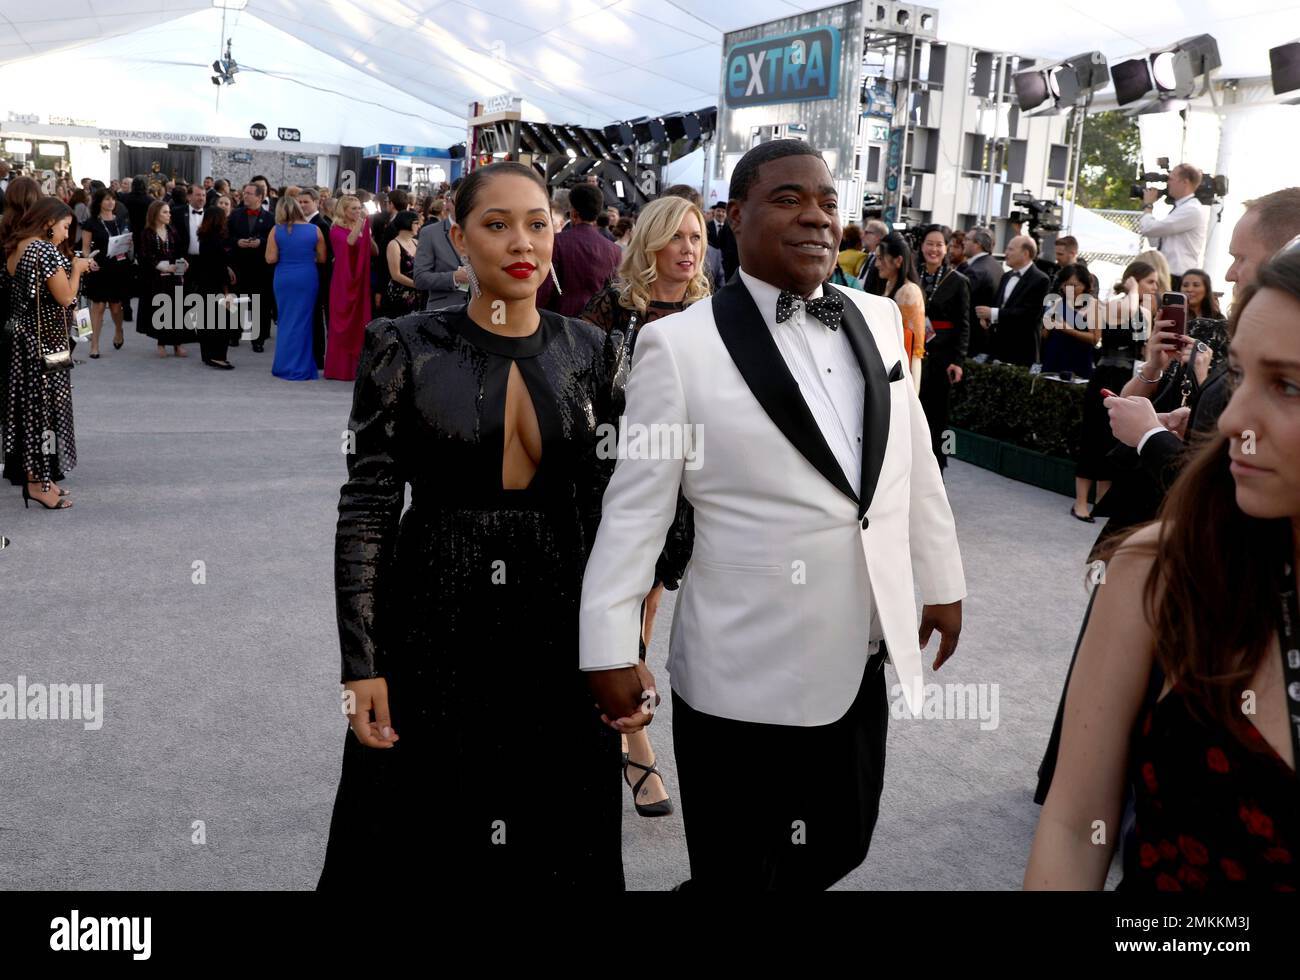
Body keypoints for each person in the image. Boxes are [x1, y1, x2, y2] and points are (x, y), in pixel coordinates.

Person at [579, 139, 965, 892]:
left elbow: (911, 461)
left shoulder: (881, 318)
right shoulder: (677, 346)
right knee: (741, 869)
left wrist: (941, 578)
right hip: (740, 673)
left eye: (826, 201)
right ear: (733, 216)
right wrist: (608, 642)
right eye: (788, 199)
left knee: (838, 847)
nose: (815, 216)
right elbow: (635, 512)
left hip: (857, 651)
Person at [319, 161, 624, 891]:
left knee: (554, 831)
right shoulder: (406, 345)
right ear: (457, 237)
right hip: (432, 617)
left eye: (536, 223)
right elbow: (367, 509)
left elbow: (610, 514)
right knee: (419, 832)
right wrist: (361, 663)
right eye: (496, 224)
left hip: (557, 625)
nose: (522, 241)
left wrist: (620, 645)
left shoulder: (591, 351)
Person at [1026, 251, 1300, 891]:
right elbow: (1075, 825)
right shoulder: (1163, 570)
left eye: (1287, 385)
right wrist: (1150, 378)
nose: (1233, 421)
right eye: (1238, 376)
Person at [579, 195, 709, 819]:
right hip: (615, 478)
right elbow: (578, 397)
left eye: (697, 237)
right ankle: (636, 742)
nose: (688, 249)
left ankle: (629, 720)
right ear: (650, 241)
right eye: (676, 236)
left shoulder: (714, 314)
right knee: (628, 604)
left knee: (650, 605)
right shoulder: (614, 310)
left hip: (688, 485)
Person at [2, 197, 90, 509]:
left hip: (23, 341)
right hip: (47, 345)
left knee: (31, 413)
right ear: (49, 221)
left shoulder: (19, 245)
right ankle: (38, 485)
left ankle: (39, 480)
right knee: (45, 413)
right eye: (65, 227)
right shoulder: (43, 249)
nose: (68, 235)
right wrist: (77, 269)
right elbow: (66, 297)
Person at [915, 224, 971, 471]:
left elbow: (964, 325)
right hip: (913, 351)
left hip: (942, 355)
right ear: (921, 245)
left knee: (938, 416)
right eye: (930, 243)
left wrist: (958, 361)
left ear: (946, 248)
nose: (934, 249)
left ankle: (938, 466)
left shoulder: (958, 281)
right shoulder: (912, 275)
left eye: (939, 244)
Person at [536, 182, 622, 316]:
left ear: (573, 213)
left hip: (560, 321)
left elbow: (546, 289)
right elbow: (614, 292)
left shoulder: (556, 242)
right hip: (597, 323)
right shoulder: (614, 250)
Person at [266, 195, 324, 382]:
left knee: (285, 320)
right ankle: (302, 366)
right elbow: (322, 258)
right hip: (307, 276)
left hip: (284, 277)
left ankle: (283, 365)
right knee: (304, 321)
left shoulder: (276, 230)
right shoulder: (315, 230)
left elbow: (270, 259)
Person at [976, 235, 1050, 367]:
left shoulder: (1040, 279)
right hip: (997, 348)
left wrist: (993, 313)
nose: (1006, 253)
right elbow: (999, 306)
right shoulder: (1006, 276)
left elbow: (1029, 315)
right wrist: (988, 319)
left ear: (1025, 253)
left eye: (1010, 249)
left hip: (1020, 350)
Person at [324, 194, 375, 381]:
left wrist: (368, 234)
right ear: (343, 211)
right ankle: (339, 368)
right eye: (353, 208)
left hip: (360, 279)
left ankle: (357, 367)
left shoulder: (362, 227)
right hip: (343, 281)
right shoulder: (336, 229)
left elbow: (372, 250)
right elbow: (350, 243)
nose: (357, 211)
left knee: (359, 321)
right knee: (341, 323)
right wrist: (362, 223)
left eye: (358, 207)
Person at [1138, 163, 1209, 290]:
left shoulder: (1191, 209)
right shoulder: (1181, 208)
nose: (1167, 183)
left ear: (1185, 182)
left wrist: (1148, 206)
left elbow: (1148, 229)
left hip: (1178, 276)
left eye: (1170, 179)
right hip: (1168, 273)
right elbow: (1154, 239)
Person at [80, 188, 131, 358]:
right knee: (99, 306)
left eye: (113, 199)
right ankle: (94, 345)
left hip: (118, 267)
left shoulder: (122, 221)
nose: (111, 202)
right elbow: (85, 249)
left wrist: (128, 243)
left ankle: (118, 330)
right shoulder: (91, 223)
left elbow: (128, 241)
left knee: (116, 308)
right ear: (99, 202)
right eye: (107, 199)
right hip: (99, 267)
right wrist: (89, 260)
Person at [226, 182, 276, 352]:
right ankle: (234, 334)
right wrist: (237, 242)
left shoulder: (271, 218)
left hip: (260, 268)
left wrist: (260, 242)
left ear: (260, 197)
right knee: (236, 302)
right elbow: (227, 237)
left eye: (249, 193)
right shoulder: (235, 215)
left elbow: (274, 240)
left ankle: (258, 339)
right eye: (244, 192)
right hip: (239, 265)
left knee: (260, 304)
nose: (244, 195)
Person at [139, 200, 192, 357]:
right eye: (165, 212)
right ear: (155, 214)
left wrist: (183, 261)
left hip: (174, 275)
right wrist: (162, 266)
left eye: (169, 212)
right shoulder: (147, 233)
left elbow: (179, 249)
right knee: (161, 309)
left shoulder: (172, 230)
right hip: (157, 277)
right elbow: (145, 256)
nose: (169, 215)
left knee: (177, 309)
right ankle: (161, 342)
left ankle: (177, 343)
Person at [874, 231, 925, 390]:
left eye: (880, 258)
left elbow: (913, 346)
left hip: (900, 372)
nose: (876, 264)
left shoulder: (909, 291)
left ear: (898, 260)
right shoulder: (890, 286)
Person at [191, 200, 236, 370]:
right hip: (215, 285)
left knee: (208, 322)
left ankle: (208, 355)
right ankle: (217, 356)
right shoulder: (216, 240)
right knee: (221, 323)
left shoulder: (204, 236)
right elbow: (218, 269)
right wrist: (226, 292)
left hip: (204, 283)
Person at [412, 177, 467, 311]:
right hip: (443, 312)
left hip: (481, 312)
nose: (463, 209)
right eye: (458, 203)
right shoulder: (430, 233)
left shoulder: (484, 231)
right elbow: (420, 278)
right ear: (448, 202)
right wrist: (454, 277)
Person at [1039, 263, 1098, 381]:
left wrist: (1069, 330)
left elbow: (1094, 338)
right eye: (1065, 285)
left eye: (1074, 286)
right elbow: (1044, 335)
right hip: (1054, 360)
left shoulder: (1092, 305)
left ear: (1085, 285)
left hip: (1078, 362)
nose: (1069, 290)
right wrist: (1048, 324)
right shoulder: (1057, 303)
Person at [299, 187, 333, 368]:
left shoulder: (322, 225)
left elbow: (325, 257)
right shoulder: (300, 223)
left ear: (316, 202)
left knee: (316, 318)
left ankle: (318, 357)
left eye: (306, 202)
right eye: (300, 202)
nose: (302, 205)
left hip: (318, 277)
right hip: (305, 276)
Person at [959, 227, 1000, 358]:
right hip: (988, 340)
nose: (963, 242)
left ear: (978, 244)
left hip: (972, 341)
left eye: (967, 239)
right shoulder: (996, 266)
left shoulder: (976, 271)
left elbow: (961, 304)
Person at [381, 209, 421, 318]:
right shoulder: (394, 245)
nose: (419, 226)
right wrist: (418, 284)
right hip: (400, 294)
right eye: (416, 223)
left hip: (418, 294)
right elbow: (395, 275)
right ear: (406, 223)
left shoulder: (416, 242)